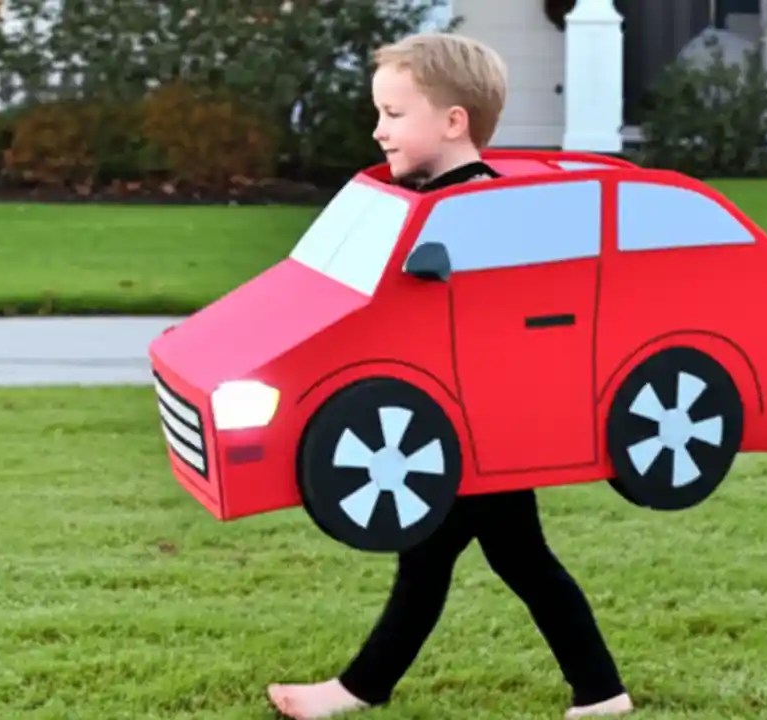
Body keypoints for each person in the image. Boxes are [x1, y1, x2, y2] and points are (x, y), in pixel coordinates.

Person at [267, 32, 634, 720]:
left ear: (453, 121)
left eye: (394, 114)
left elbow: (504, 310)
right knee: (500, 558)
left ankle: (355, 692)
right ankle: (599, 691)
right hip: (467, 421)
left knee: (458, 559)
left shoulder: (475, 208)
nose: (378, 132)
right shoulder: (428, 201)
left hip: (482, 425)